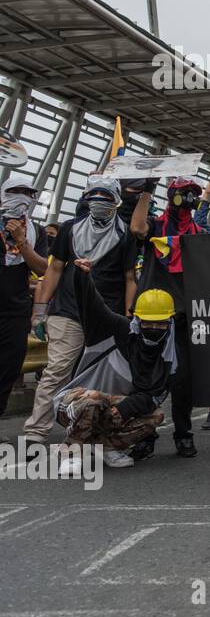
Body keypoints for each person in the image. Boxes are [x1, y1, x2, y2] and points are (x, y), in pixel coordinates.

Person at [25, 176, 136, 447]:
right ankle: (36, 432)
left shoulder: (125, 234)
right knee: (58, 370)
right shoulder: (69, 229)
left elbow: (130, 278)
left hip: (105, 315)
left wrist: (128, 317)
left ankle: (92, 432)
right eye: (95, 195)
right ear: (86, 197)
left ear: (117, 202)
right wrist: (40, 310)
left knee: (103, 373)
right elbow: (54, 269)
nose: (100, 201)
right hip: (67, 311)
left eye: (107, 196)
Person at [54, 267, 178, 474]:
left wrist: (124, 407)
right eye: (148, 322)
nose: (154, 328)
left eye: (160, 324)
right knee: (93, 399)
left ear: (170, 322)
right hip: (76, 401)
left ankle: (107, 446)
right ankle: (70, 451)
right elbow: (92, 305)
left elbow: (153, 397)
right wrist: (82, 276)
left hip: (112, 406)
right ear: (137, 319)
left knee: (155, 416)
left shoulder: (169, 354)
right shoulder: (115, 329)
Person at [129, 175, 210, 457]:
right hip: (153, 316)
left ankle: (183, 433)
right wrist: (147, 190)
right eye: (183, 193)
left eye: (193, 193)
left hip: (186, 315)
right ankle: (146, 435)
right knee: (146, 379)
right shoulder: (156, 225)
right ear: (171, 196)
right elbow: (136, 227)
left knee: (183, 380)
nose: (189, 198)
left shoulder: (197, 232)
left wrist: (207, 197)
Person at [0, 177, 48, 416]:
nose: (21, 196)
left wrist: (21, 242)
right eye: (15, 191)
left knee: (8, 369)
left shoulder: (35, 231)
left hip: (15, 311)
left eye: (27, 193)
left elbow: (43, 269)